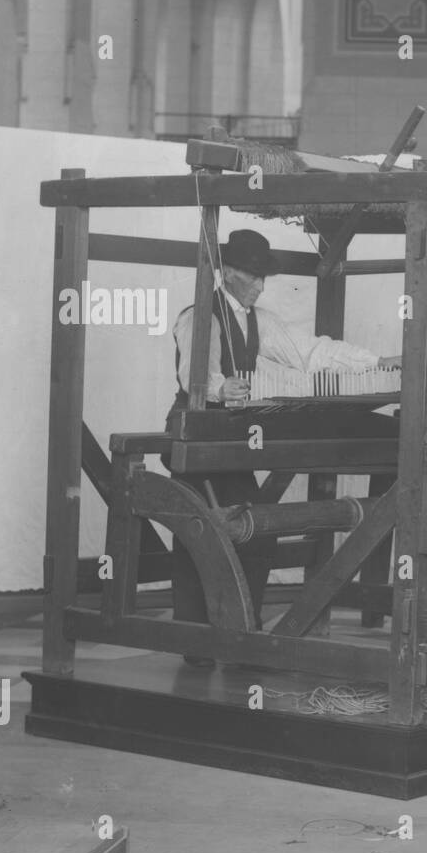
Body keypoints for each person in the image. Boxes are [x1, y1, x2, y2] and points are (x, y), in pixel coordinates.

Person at [167, 228, 394, 664]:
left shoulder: (259, 321)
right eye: (251, 277)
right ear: (227, 271)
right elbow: (194, 374)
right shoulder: (199, 317)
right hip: (197, 436)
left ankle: (239, 634)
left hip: (233, 439)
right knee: (200, 534)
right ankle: (196, 644)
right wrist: (220, 388)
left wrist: (376, 363)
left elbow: (308, 353)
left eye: (262, 278)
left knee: (252, 532)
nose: (259, 286)